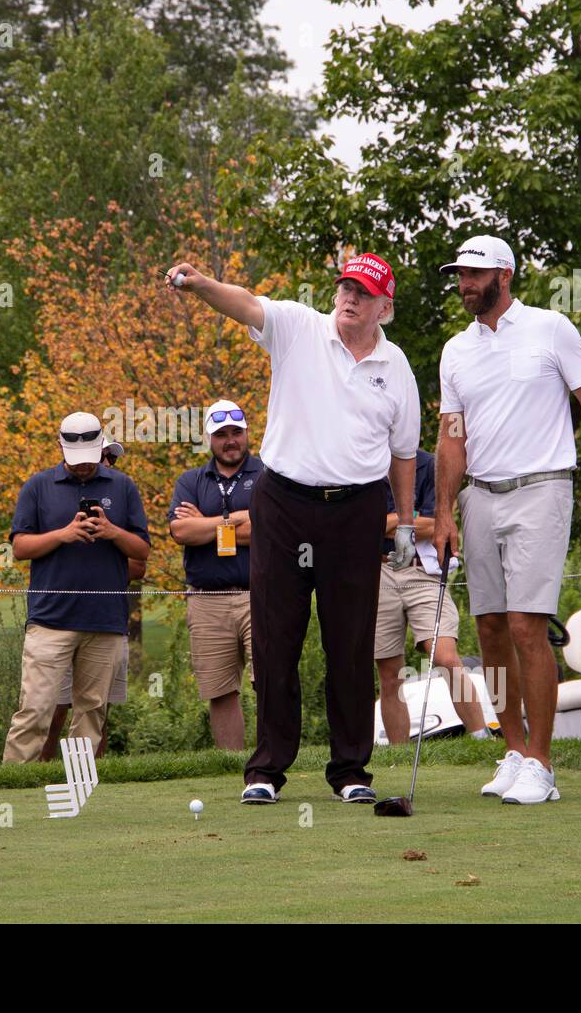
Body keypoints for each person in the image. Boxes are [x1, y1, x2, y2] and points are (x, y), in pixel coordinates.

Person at [167, 254, 420, 805]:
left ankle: (351, 770)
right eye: (345, 287)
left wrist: (401, 523)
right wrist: (203, 284)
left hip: (356, 512)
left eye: (363, 291)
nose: (349, 297)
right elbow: (246, 304)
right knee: (276, 638)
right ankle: (266, 769)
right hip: (283, 505)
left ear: (385, 306)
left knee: (350, 643)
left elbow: (403, 454)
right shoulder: (301, 327)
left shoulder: (396, 366)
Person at [433, 236, 581, 805]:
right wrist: (442, 509)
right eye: (459, 275)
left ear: (504, 273)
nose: (464, 284)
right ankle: (514, 749)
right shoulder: (456, 351)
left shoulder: (552, 328)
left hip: (542, 489)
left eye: (474, 275)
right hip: (480, 495)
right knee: (490, 628)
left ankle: (543, 766)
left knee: (527, 625)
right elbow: (452, 437)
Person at [4, 412, 150, 762]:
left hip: (106, 621)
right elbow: (20, 548)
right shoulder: (38, 486)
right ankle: (10, 787)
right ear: (60, 447)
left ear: (102, 446)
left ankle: (79, 787)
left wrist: (113, 532)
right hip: (50, 619)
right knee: (35, 710)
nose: (83, 468)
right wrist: (63, 535)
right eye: (76, 461)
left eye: (89, 460)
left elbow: (142, 552)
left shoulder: (123, 486)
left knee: (92, 712)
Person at [39, 435, 143, 761]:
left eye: (111, 459)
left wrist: (108, 548)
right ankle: (39, 770)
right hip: (59, 619)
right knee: (52, 706)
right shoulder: (55, 497)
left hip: (105, 619)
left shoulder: (122, 497)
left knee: (97, 707)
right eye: (103, 457)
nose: (107, 464)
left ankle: (87, 775)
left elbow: (139, 563)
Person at [375, 449, 488, 743]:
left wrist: (387, 522)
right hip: (378, 571)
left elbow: (436, 524)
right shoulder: (363, 465)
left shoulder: (428, 465)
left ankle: (480, 737)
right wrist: (408, 519)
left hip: (422, 570)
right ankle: (399, 754)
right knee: (389, 671)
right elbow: (356, 526)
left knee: (446, 657)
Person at [168, 399, 260, 750]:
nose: (230, 440)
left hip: (260, 594)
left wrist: (205, 524)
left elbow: (270, 529)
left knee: (268, 680)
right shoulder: (190, 481)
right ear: (209, 438)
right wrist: (238, 519)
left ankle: (270, 761)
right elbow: (181, 533)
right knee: (219, 689)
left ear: (247, 433)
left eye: (236, 432)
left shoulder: (268, 474)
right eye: (221, 434)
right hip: (207, 599)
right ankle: (231, 764)